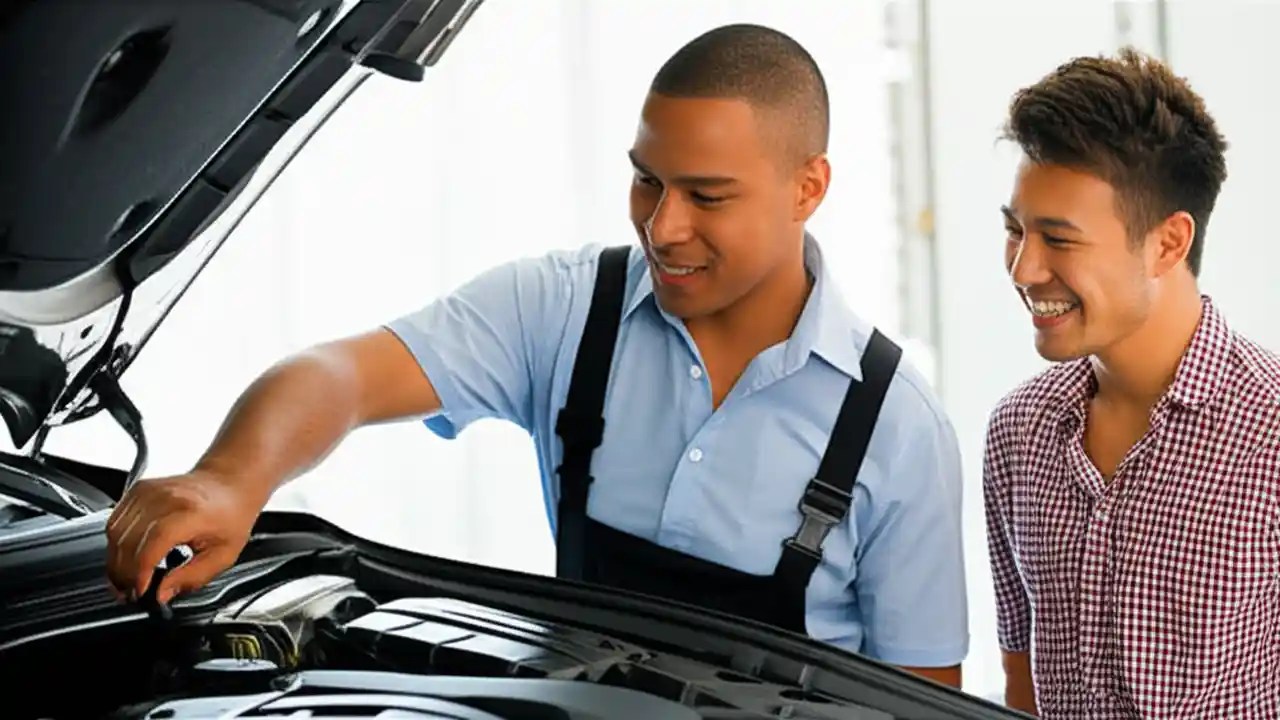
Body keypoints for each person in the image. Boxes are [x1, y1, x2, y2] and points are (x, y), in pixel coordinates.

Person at [105, 23, 969, 686]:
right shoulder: (562, 310)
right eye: (646, 180)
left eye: (707, 196)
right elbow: (343, 377)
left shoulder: (896, 428)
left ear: (807, 188)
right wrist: (232, 478)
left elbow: (928, 697)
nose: (662, 227)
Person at [985, 47, 1280, 718]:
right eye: (1015, 230)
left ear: (1168, 244)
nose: (1024, 269)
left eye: (1059, 239)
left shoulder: (1272, 438)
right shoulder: (1016, 433)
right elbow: (1021, 682)